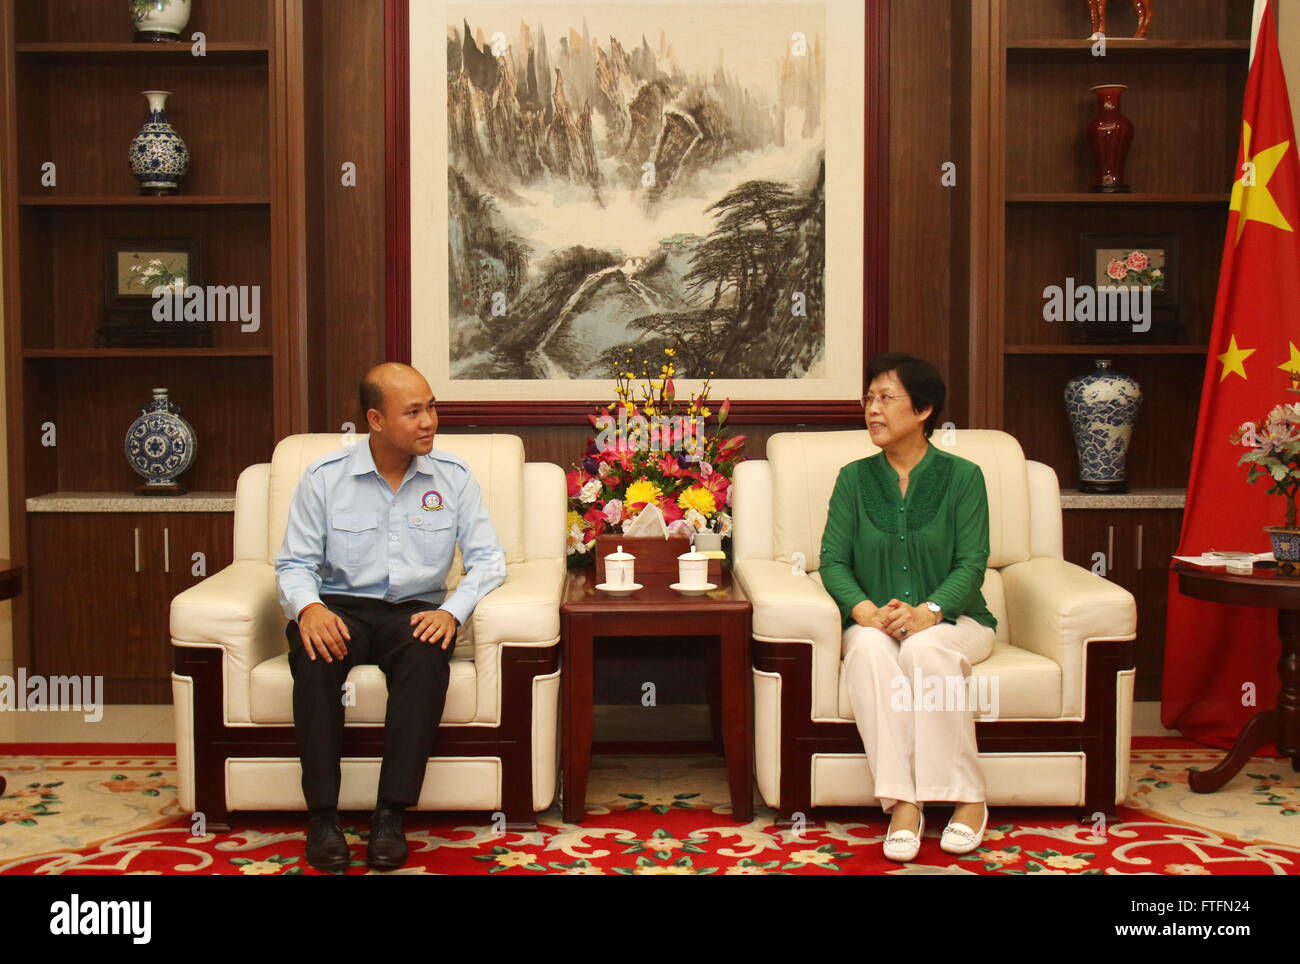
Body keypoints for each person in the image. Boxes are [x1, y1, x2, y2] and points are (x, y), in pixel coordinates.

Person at [274, 362, 506, 872]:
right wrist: (309, 609)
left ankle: (389, 814)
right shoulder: (324, 478)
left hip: (414, 610)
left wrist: (451, 612)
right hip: (341, 607)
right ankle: (323, 816)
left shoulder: (454, 477)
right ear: (376, 420)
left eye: (432, 407)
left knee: (428, 653)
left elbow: (489, 560)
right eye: (414, 412)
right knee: (313, 652)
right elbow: (295, 564)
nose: (430, 421)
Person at [819, 352, 997, 862]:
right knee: (871, 653)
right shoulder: (853, 478)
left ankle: (967, 798)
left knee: (924, 652)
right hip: (874, 619)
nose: (872, 409)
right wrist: (864, 612)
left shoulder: (964, 477)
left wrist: (929, 612)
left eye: (885, 398)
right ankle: (903, 803)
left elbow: (972, 562)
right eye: (869, 398)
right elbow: (832, 561)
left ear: (922, 410)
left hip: (956, 620)